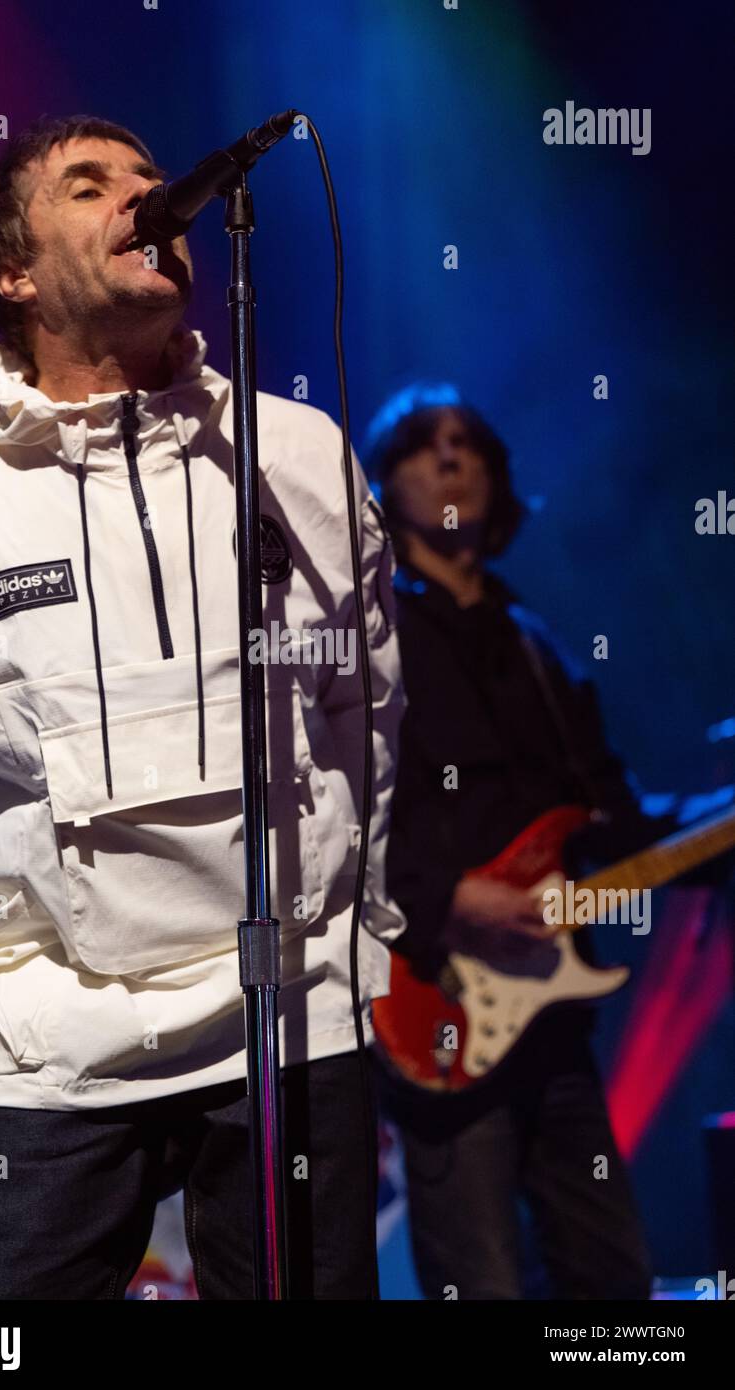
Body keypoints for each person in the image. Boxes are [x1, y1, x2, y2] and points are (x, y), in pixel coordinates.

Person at [0, 115, 406, 1301]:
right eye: (88, 185)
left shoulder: (302, 456)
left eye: (153, 182)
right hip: (43, 1043)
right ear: (13, 272)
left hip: (288, 1011)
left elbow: (364, 720)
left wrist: (346, 949)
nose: (144, 200)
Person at [365, 383, 656, 1301]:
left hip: (556, 1019)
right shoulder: (371, 639)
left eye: (471, 445)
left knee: (617, 1292)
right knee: (479, 1283)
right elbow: (333, 815)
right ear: (386, 484)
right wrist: (448, 900)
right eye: (424, 445)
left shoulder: (536, 643)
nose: (452, 458)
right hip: (438, 1004)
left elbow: (616, 819)